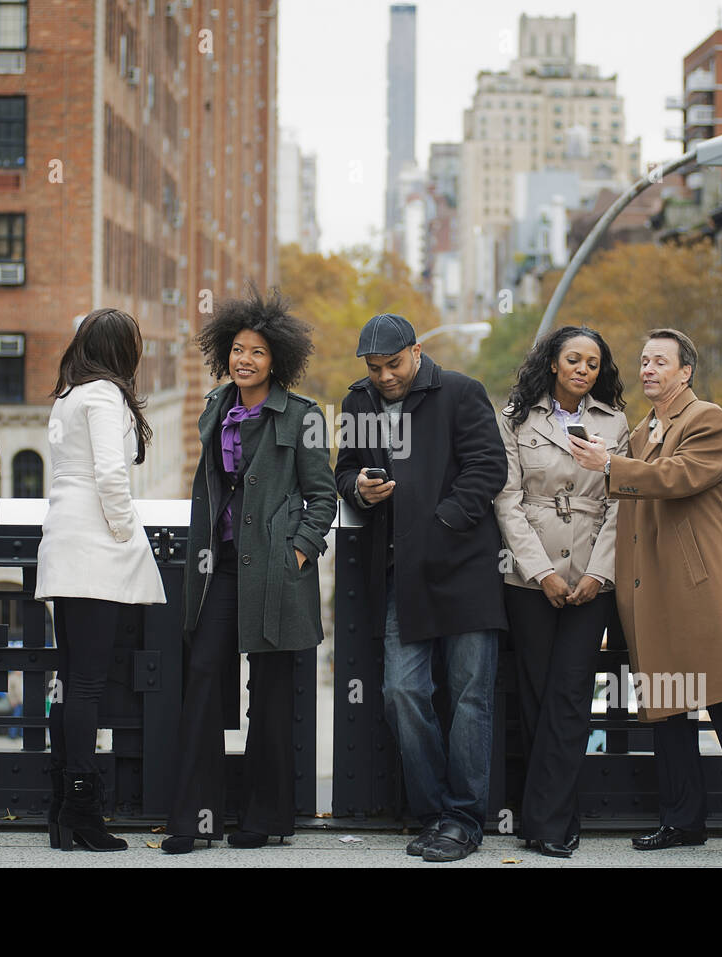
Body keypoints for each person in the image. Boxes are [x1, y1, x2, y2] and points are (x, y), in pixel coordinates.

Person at [569, 328, 722, 864]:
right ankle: (682, 820)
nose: (647, 370)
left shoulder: (708, 419)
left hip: (698, 588)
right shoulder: (643, 428)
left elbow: (678, 477)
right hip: (651, 588)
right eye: (643, 361)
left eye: (660, 362)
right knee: (667, 706)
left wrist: (609, 466)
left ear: (685, 371)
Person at [161, 286, 336, 854]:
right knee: (205, 680)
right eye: (237, 349)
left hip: (277, 575)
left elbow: (322, 497)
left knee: (271, 696)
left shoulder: (305, 416)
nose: (244, 360)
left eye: (257, 352)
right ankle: (193, 820)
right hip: (221, 572)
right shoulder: (216, 408)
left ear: (275, 361)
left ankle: (262, 821)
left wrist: (299, 553)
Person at [334, 313, 507, 862]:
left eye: (392, 365)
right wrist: (359, 488)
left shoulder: (460, 392)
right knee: (401, 692)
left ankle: (463, 819)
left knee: (470, 697)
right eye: (374, 367)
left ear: (414, 352)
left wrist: (443, 521)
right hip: (400, 574)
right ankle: (434, 814)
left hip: (465, 568)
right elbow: (344, 472)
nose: (383, 377)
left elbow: (488, 467)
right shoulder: (357, 402)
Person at [493, 326, 629, 857]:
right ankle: (554, 818)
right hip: (528, 577)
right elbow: (506, 499)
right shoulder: (515, 418)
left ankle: (545, 823)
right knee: (535, 693)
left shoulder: (614, 422)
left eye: (592, 364)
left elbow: (622, 501)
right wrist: (540, 572)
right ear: (553, 362)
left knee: (571, 695)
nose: (582, 370)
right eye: (573, 359)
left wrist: (598, 573)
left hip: (591, 576)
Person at [35, 308, 167, 851]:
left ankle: (63, 810)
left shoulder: (69, 396)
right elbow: (112, 475)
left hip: (63, 545)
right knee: (87, 684)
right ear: (123, 352)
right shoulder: (106, 397)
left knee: (70, 681)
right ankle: (83, 812)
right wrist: (124, 531)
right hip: (94, 549)